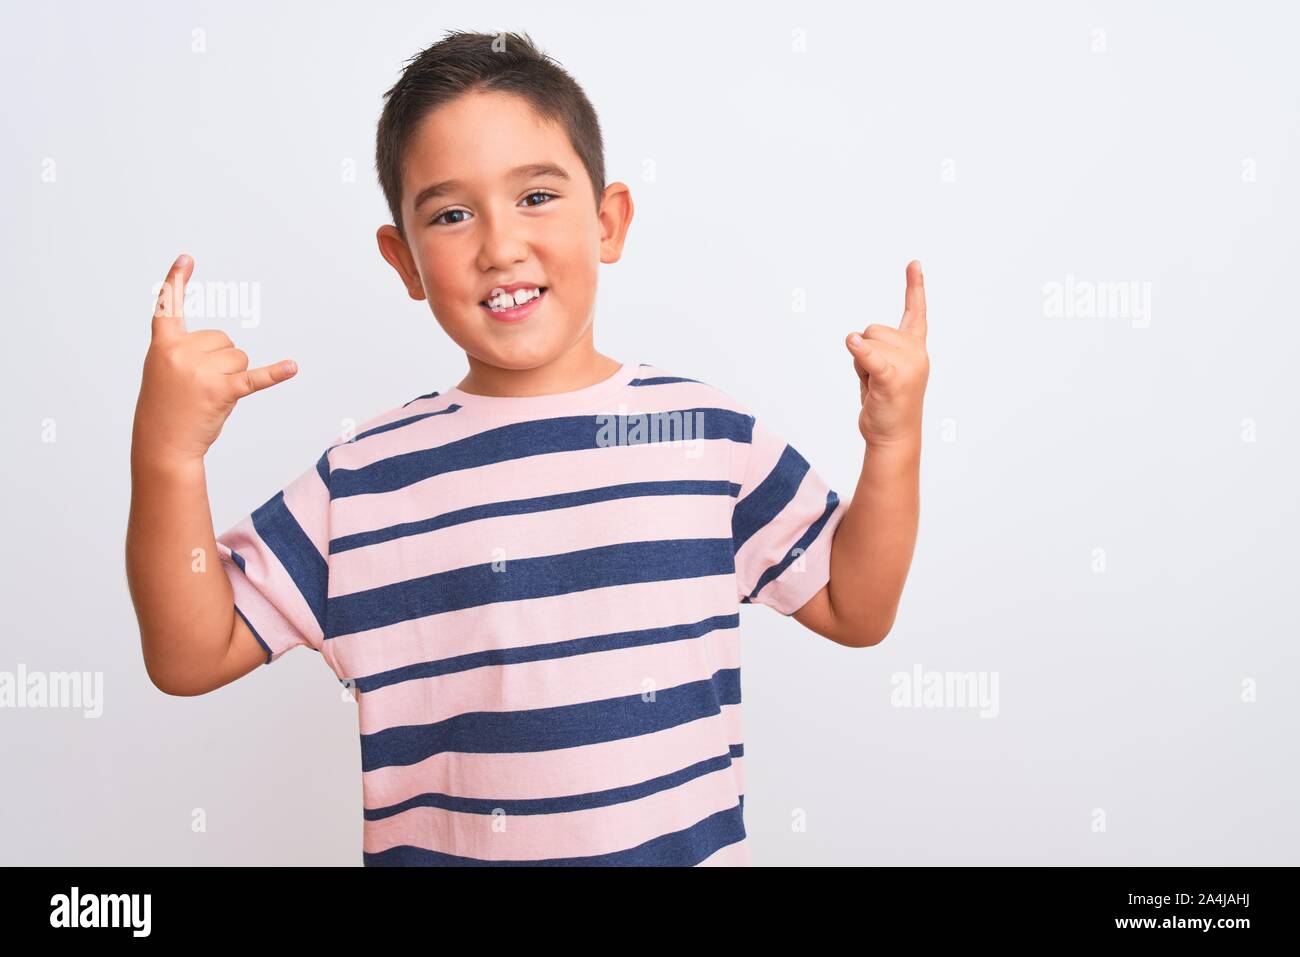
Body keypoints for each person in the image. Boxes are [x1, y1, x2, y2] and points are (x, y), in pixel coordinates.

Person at [125, 30, 929, 866]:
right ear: (404, 261)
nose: (500, 245)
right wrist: (168, 454)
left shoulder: (701, 436)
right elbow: (188, 655)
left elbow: (856, 606)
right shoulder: (362, 480)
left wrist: (894, 441)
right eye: (452, 214)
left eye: (536, 196)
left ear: (608, 221)